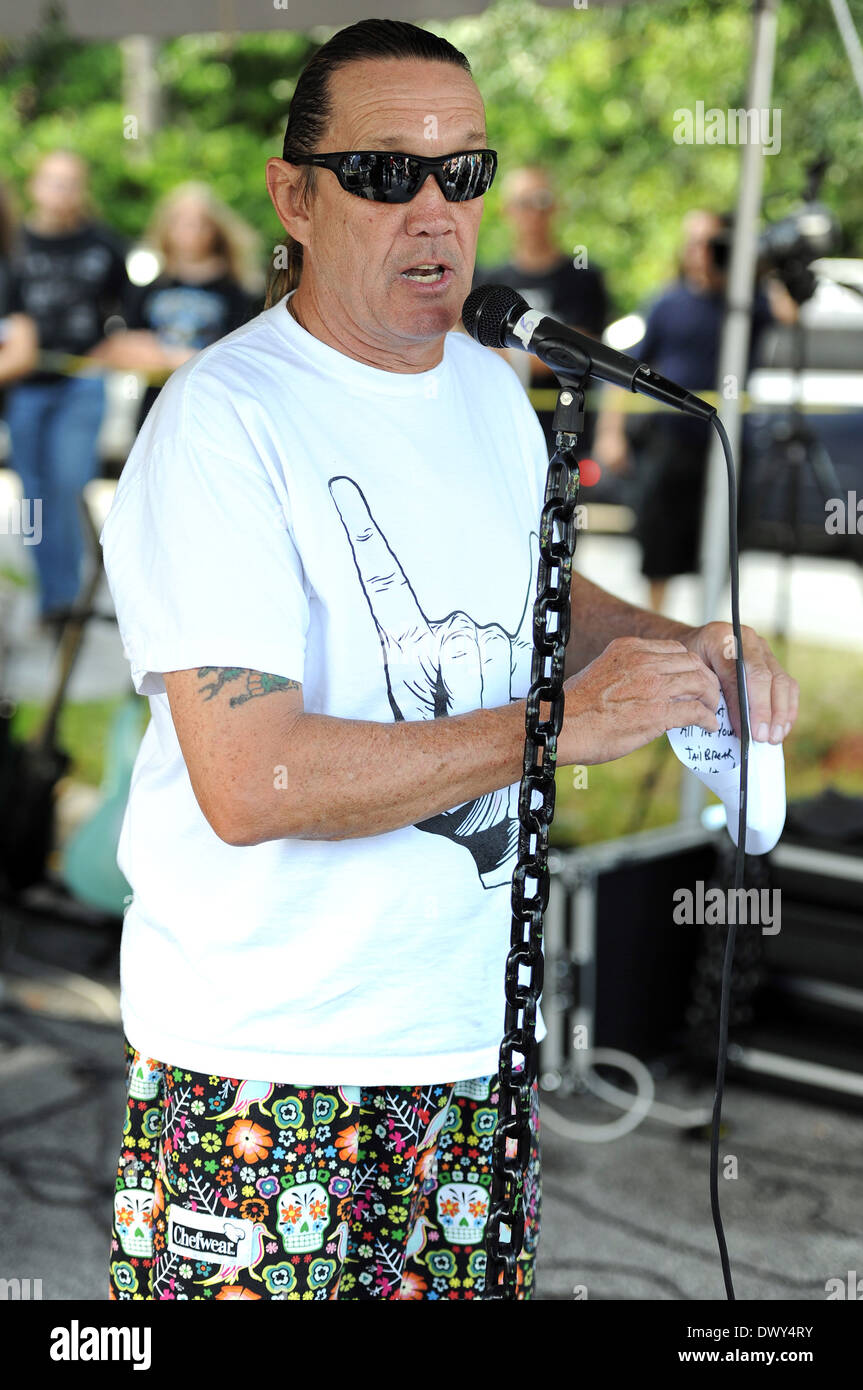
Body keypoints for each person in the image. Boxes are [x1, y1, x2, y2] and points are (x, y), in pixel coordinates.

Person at [100, 20, 798, 1303]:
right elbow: (250, 785)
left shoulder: (488, 388)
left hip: (469, 1048)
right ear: (293, 195)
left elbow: (528, 587)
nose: (434, 211)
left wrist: (673, 650)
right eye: (384, 173)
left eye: (462, 173)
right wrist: (550, 729)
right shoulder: (222, 420)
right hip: (271, 1065)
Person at [594, 209, 796, 612]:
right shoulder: (667, 302)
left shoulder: (749, 302)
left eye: (713, 244)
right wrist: (610, 432)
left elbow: (790, 313)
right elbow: (625, 368)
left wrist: (755, 265)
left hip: (725, 447)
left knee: (723, 540)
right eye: (695, 243)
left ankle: (709, 625)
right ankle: (658, 627)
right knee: (660, 544)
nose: (702, 253)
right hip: (671, 443)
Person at [6, 151, 129, 634]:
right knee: (33, 495)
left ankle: (68, 595)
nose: (61, 192)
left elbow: (131, 311)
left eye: (70, 183)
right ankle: (51, 596)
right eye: (52, 182)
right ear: (35, 186)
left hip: (80, 380)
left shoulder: (103, 244)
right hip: (24, 385)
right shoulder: (14, 244)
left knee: (67, 482)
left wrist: (110, 349)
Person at [91, 182, 261, 430]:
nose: (189, 231)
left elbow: (240, 356)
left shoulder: (240, 291)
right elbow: (126, 346)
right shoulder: (149, 288)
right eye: (180, 221)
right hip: (157, 407)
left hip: (212, 409)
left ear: (215, 229)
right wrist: (168, 357)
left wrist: (175, 357)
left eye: (199, 222)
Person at [473, 165, 609, 456]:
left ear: (557, 207)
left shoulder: (583, 277)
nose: (534, 213)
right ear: (506, 210)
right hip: (499, 429)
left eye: (542, 201)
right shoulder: (488, 280)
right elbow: (469, 348)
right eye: (524, 203)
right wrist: (545, 349)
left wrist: (504, 350)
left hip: (565, 432)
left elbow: (582, 349)